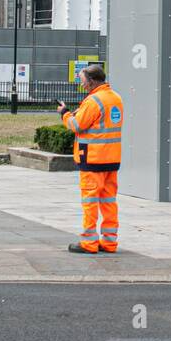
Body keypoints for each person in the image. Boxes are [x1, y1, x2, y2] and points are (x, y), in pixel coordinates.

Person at [58, 64, 124, 254]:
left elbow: (76, 125)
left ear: (92, 81)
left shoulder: (94, 100)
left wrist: (64, 114)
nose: (82, 84)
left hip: (93, 159)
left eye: (83, 80)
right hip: (111, 159)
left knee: (90, 202)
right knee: (109, 201)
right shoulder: (116, 98)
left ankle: (89, 242)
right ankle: (109, 242)